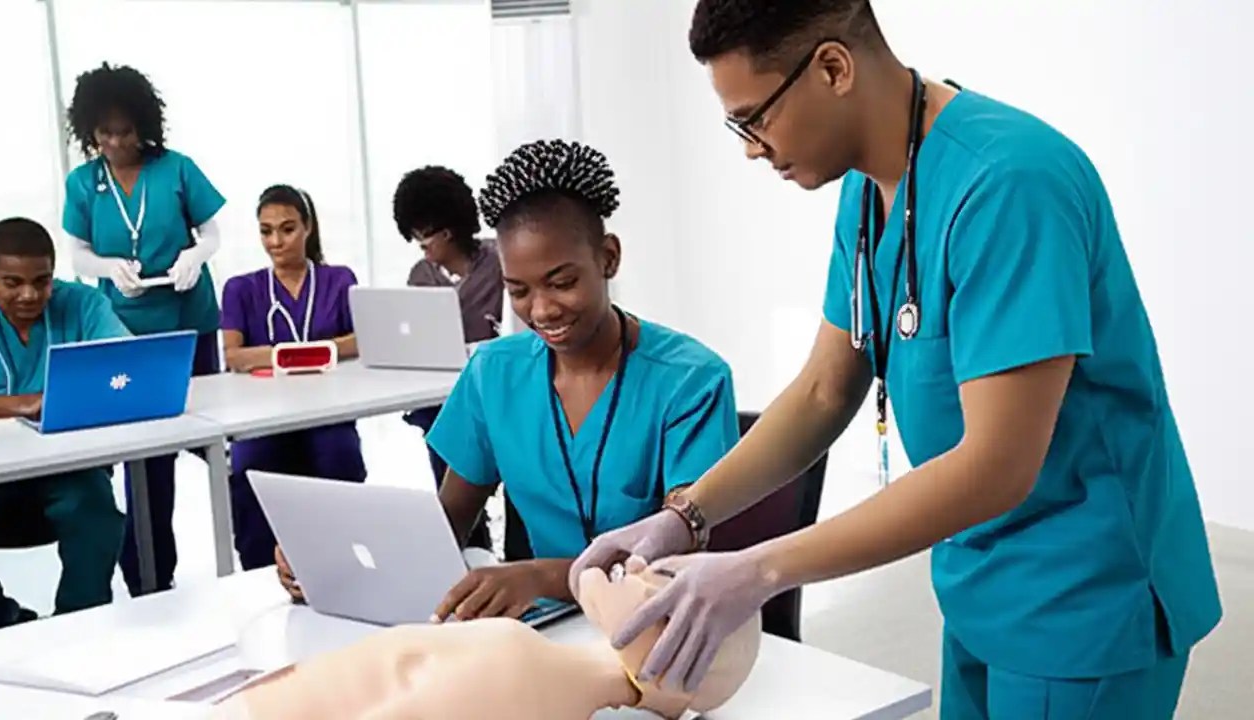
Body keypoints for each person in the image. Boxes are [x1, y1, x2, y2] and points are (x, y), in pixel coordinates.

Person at [571, 2, 1223, 717]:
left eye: (755, 118)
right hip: (980, 576)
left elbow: (997, 467)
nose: (751, 148)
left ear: (832, 67)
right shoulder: (866, 188)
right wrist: (686, 515)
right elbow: (825, 389)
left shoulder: (1010, 185)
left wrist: (759, 569)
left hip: (1084, 593)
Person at [276, 140, 739, 623]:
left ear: (608, 257)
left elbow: (673, 557)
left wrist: (537, 577)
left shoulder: (691, 380)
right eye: (518, 290)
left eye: (562, 282)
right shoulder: (494, 373)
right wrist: (332, 561)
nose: (541, 310)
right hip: (541, 628)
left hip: (657, 625)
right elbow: (447, 523)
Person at [62, 62, 227, 596]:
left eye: (125, 131)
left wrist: (194, 256)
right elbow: (78, 253)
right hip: (125, 327)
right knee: (145, 459)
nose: (115, 141)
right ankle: (148, 577)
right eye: (104, 132)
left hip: (188, 319)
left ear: (145, 125)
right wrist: (108, 268)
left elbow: (212, 230)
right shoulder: (84, 183)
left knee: (203, 435)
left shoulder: (176, 168)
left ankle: (225, 557)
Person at [215, 558, 759, 720]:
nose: (637, 561)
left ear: (677, 664)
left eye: (658, 582)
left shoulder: (521, 670)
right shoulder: (524, 658)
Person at [0, 218, 127, 631]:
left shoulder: (83, 305)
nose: (29, 294)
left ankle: (76, 631)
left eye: (42, 281)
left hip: (66, 472)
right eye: (12, 282)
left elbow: (126, 366)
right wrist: (20, 403)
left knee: (95, 509)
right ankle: (2, 624)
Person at [220, 186, 365, 570]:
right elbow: (233, 356)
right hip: (265, 418)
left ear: (308, 228)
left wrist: (272, 356)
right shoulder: (241, 289)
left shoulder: (338, 279)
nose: (276, 241)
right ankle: (261, 571)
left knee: (340, 456)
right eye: (266, 231)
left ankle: (346, 564)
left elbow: (364, 339)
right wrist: (313, 352)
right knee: (250, 464)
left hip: (328, 410)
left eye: (287, 229)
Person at [392, 167, 504, 550]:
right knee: (442, 428)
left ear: (451, 229)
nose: (422, 243)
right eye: (416, 235)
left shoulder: (499, 261)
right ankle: (471, 543)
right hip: (445, 391)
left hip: (497, 383)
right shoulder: (421, 276)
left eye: (427, 234)